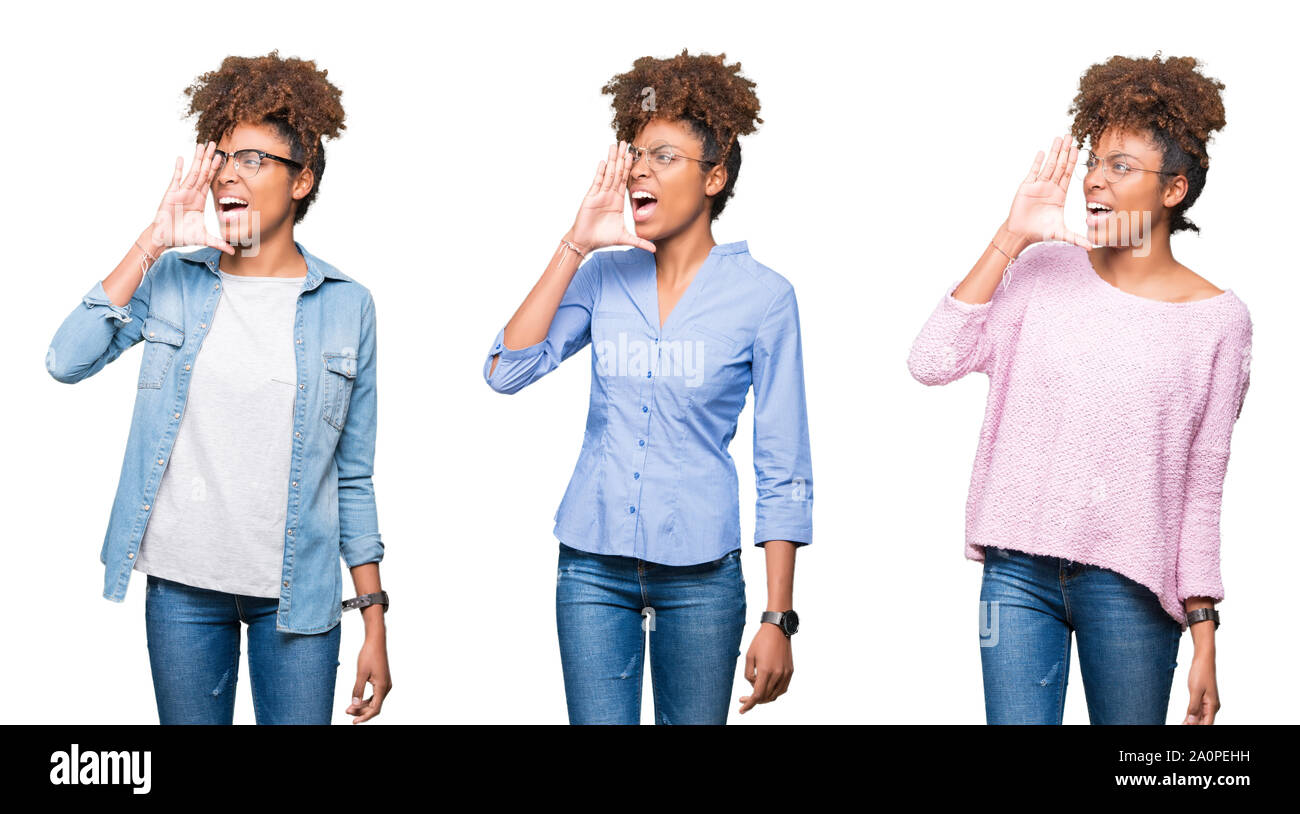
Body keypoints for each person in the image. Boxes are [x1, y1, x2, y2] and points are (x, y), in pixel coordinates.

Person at [45, 51, 391, 724]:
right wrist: (151, 241)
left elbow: (353, 476)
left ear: (302, 180)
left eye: (255, 159)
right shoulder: (174, 280)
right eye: (223, 155)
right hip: (183, 590)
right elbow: (66, 359)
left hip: (297, 595)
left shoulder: (348, 306)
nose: (230, 172)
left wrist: (373, 616)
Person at [907, 54, 1248, 724]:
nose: (1094, 178)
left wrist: (1205, 631)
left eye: (1121, 165)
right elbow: (931, 360)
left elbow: (1202, 488)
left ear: (1172, 189)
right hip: (1015, 575)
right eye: (1095, 158)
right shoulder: (1040, 270)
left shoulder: (1219, 321)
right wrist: (1010, 236)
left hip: (1132, 587)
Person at [484, 50, 813, 724]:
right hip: (590, 568)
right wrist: (576, 244)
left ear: (714, 177)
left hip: (702, 578)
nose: (638, 167)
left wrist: (779, 613)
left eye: (663, 156)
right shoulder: (603, 279)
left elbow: (783, 464)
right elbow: (505, 370)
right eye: (636, 153)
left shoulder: (765, 299)